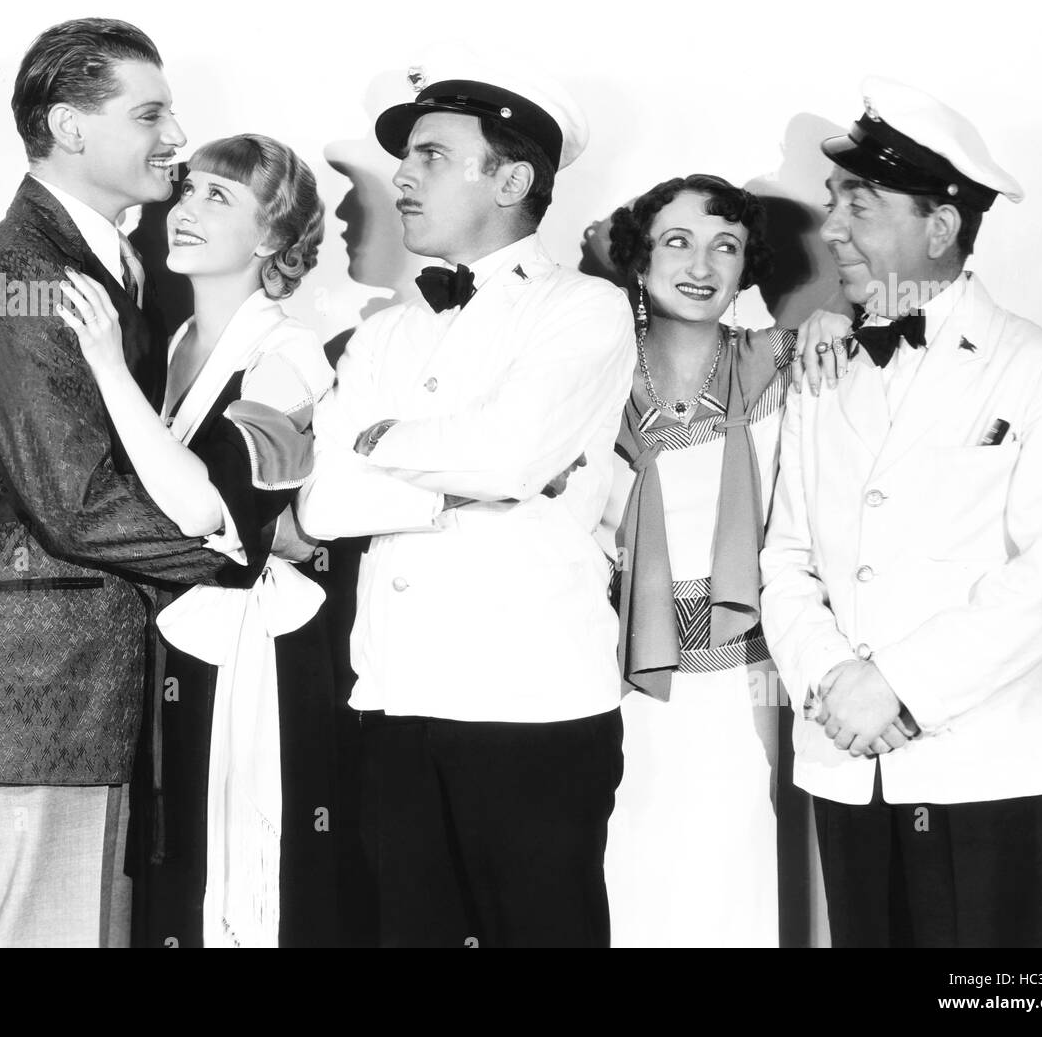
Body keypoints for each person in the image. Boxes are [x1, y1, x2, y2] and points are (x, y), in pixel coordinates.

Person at [296, 58, 635, 947]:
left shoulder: (585, 308)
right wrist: (459, 490)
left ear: (512, 180)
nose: (403, 177)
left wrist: (386, 446)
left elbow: (507, 455)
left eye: (432, 156)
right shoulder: (390, 331)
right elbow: (327, 501)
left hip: (531, 707)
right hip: (398, 700)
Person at [0, 18, 231, 947]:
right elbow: (74, 497)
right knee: (40, 930)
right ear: (70, 126)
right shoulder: (23, 276)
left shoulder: (109, 257)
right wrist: (236, 560)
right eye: (151, 113)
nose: (176, 136)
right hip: (38, 665)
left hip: (84, 657)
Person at [760, 77, 1042, 948]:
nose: (831, 227)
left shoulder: (1035, 367)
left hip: (978, 760)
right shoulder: (823, 363)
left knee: (997, 1001)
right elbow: (784, 555)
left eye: (858, 206)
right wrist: (834, 688)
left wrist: (897, 691)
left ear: (940, 226)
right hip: (845, 760)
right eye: (833, 202)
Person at [59, 134, 337, 948]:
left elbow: (222, 522)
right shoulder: (179, 344)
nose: (186, 209)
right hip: (177, 639)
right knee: (174, 862)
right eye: (188, 191)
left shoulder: (288, 355)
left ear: (272, 239)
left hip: (259, 654)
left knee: (246, 870)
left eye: (220, 197)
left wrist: (107, 367)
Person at [599, 174, 850, 947]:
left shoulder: (781, 363)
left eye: (726, 246)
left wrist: (836, 318)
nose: (702, 264)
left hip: (741, 676)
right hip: (607, 676)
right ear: (639, 261)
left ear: (747, 268)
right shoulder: (587, 367)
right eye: (677, 242)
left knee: (733, 884)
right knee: (621, 879)